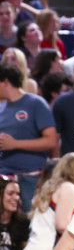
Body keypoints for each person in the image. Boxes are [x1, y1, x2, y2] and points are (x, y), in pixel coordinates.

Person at [0, 61, 58, 210]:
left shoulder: (35, 103)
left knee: (30, 222)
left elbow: (51, 140)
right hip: (4, 178)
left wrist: (15, 144)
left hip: (31, 178)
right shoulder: (2, 106)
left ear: (6, 82)